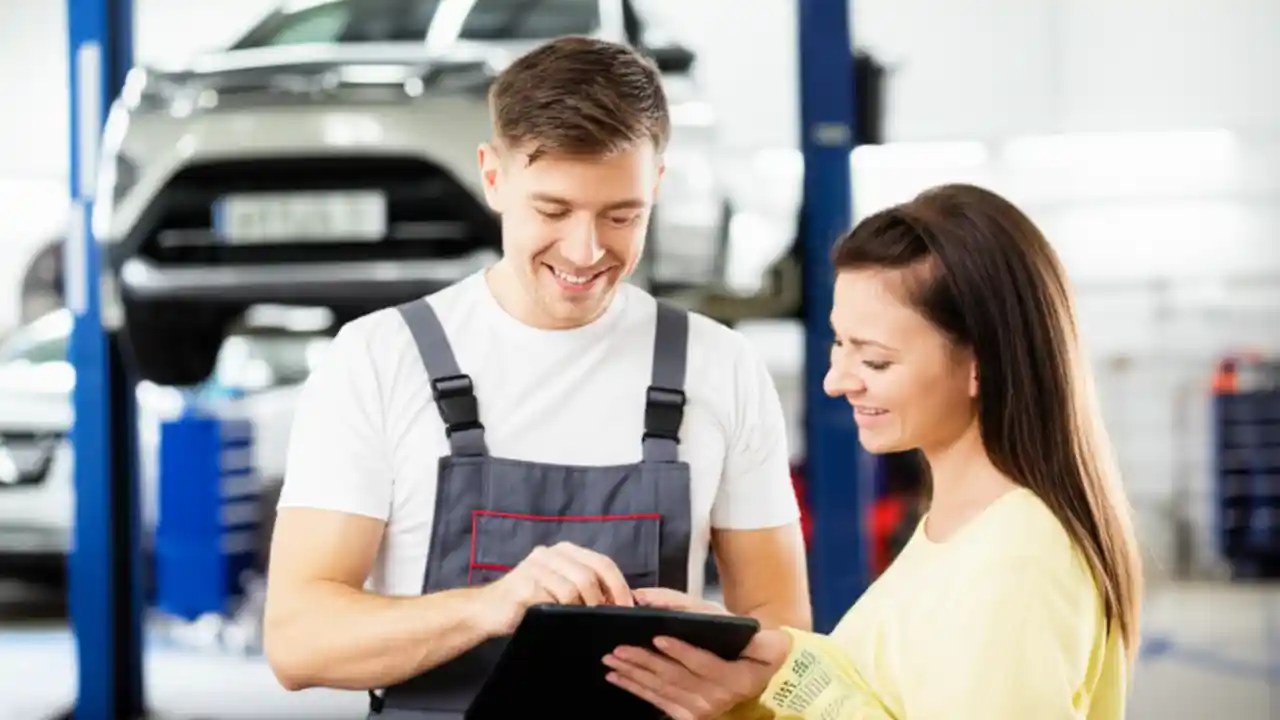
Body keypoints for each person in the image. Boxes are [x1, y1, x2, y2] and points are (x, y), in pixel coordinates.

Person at [259, 35, 811, 719]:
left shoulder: (719, 367)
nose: (585, 252)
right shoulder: (378, 359)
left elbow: (786, 635)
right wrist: (491, 608)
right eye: (552, 212)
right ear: (493, 176)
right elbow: (298, 642)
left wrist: (741, 681)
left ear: (657, 186)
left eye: (622, 215)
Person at [603, 183, 1144, 719]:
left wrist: (806, 688)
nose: (836, 382)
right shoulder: (957, 532)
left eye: (876, 361)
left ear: (981, 364)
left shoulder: (1019, 557)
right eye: (840, 344)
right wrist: (765, 667)